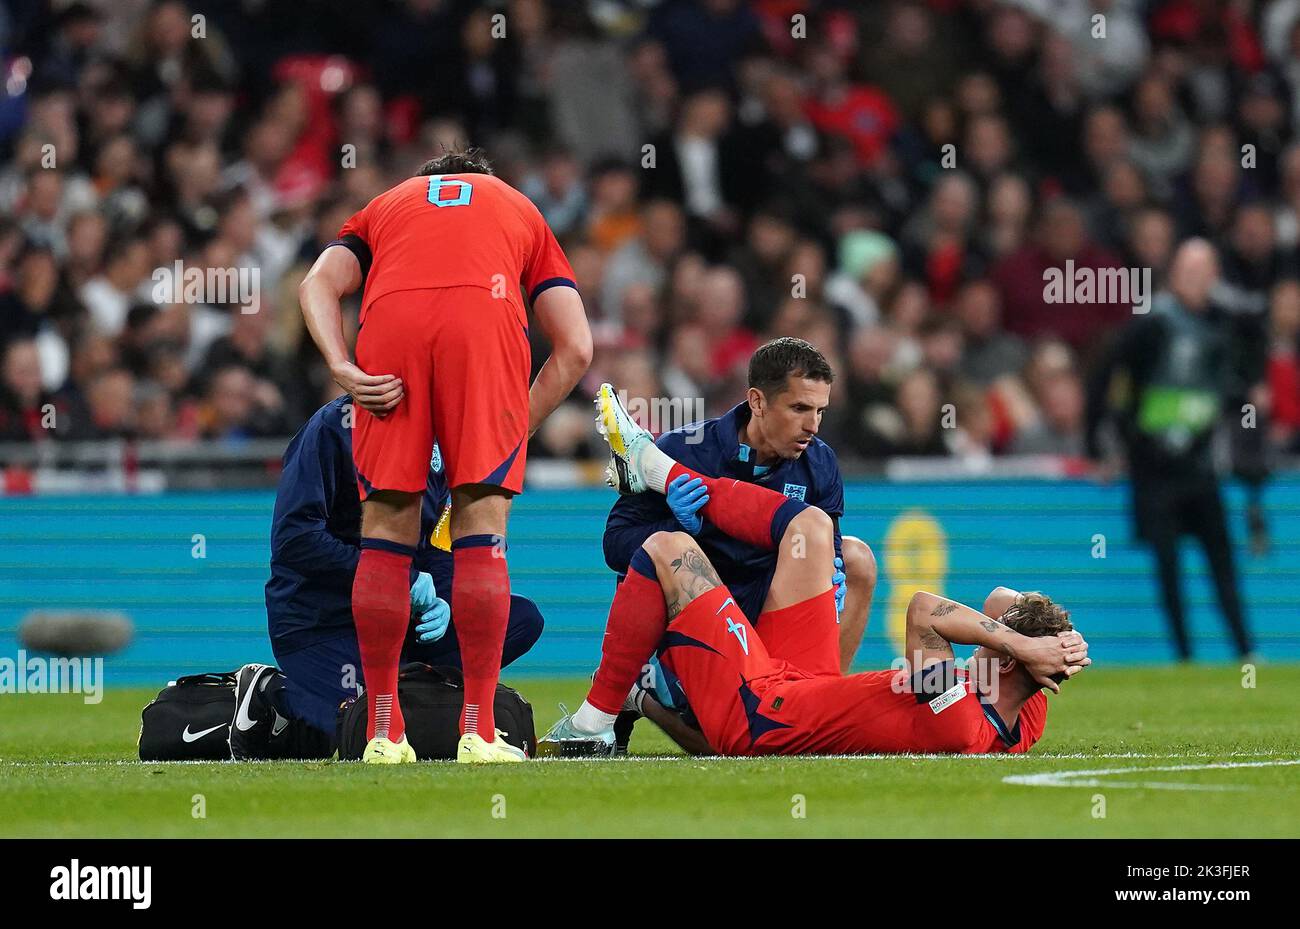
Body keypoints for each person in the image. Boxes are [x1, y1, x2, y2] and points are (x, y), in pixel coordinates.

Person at [538, 384, 1088, 756]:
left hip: (763, 707)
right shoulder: (1022, 722)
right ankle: (640, 695)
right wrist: (1058, 643)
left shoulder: (959, 720)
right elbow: (1001, 599)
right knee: (848, 553)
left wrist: (1027, 645)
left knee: (669, 547)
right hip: (798, 687)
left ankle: (594, 721)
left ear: (1012, 662)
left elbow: (925, 611)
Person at [298, 147, 592, 763]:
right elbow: (576, 350)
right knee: (480, 530)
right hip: (482, 322)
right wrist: (512, 428)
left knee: (385, 533)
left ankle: (383, 733)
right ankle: (480, 734)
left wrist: (341, 366)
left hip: (391, 321)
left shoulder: (384, 206)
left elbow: (319, 282)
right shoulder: (519, 207)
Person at [229, 396, 545, 760]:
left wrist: (440, 598)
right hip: (322, 618)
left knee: (519, 620)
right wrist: (398, 575)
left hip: (400, 617)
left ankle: (411, 689)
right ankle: (272, 694)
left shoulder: (446, 435)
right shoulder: (334, 428)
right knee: (355, 725)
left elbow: (436, 543)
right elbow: (295, 539)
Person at [1085, 239, 1255, 661]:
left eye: (1202, 272)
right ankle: (1184, 656)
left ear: (1214, 277)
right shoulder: (1150, 326)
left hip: (1201, 466)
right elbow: (1107, 375)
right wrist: (1099, 443)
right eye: (1187, 271)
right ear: (1174, 275)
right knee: (1168, 565)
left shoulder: (1223, 325)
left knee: (1221, 561)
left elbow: (1227, 386)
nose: (1195, 281)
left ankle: (1246, 651)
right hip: (1153, 468)